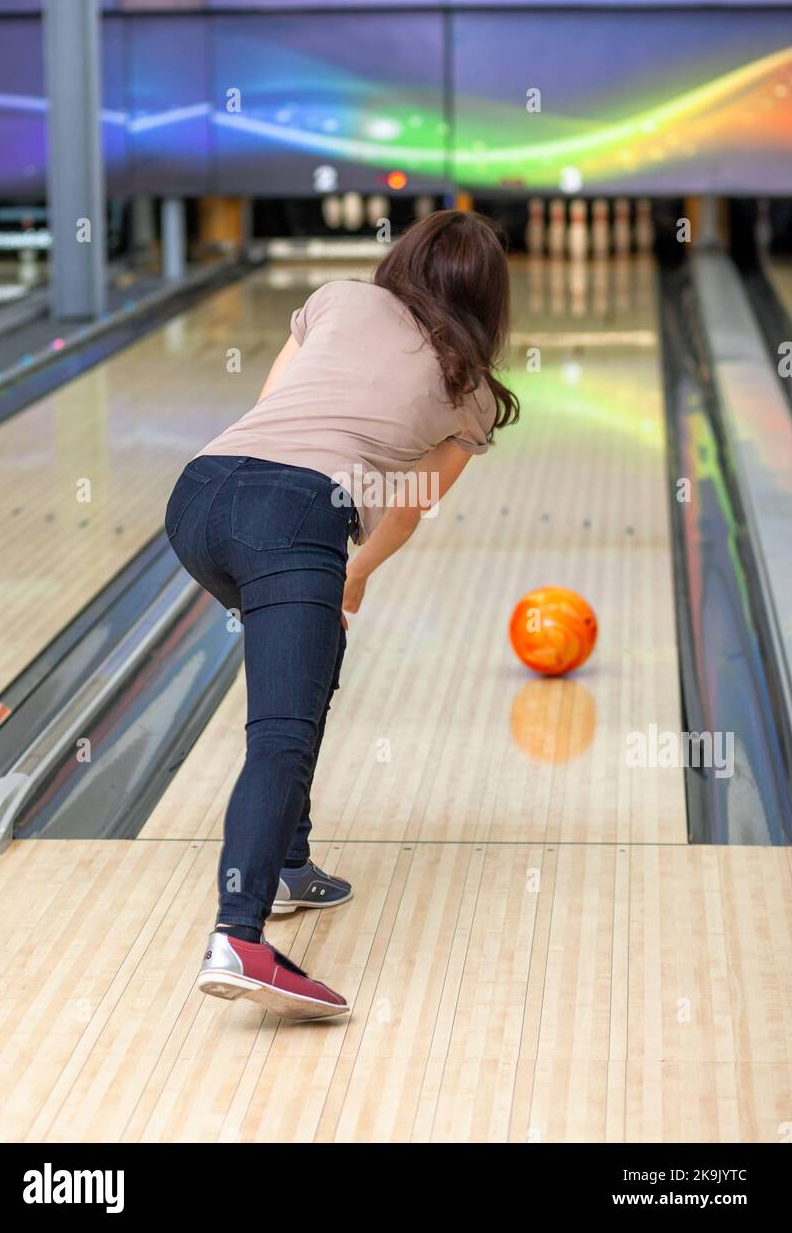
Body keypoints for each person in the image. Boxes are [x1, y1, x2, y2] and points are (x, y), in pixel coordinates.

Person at [164, 209, 519, 1020]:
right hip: (295, 514)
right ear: (489, 301)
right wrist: (349, 573)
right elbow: (407, 505)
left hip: (199, 496)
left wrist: (322, 587)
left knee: (312, 659)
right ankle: (240, 935)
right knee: (280, 732)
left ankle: (288, 862)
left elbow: (270, 404)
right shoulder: (471, 390)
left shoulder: (337, 298)